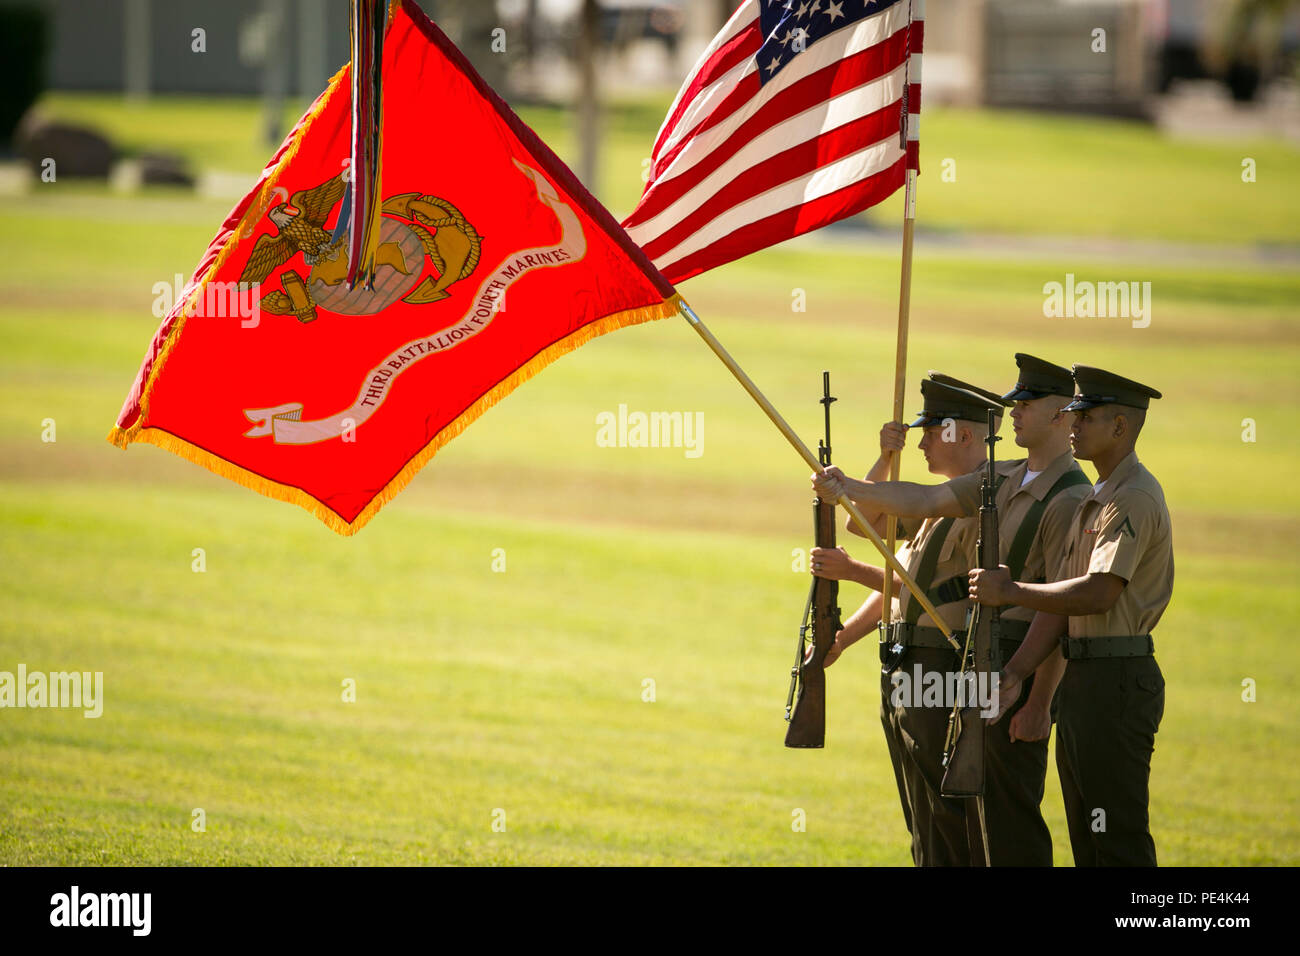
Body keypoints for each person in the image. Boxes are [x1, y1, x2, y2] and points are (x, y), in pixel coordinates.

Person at [813, 355, 1090, 865]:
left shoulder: (1065, 497)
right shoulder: (998, 482)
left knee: (996, 820)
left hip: (987, 663)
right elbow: (913, 506)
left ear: (1060, 415)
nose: (1015, 412)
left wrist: (1037, 701)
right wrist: (850, 484)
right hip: (965, 665)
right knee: (938, 818)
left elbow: (1066, 606)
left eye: (1026, 404)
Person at [969, 365, 1171, 867]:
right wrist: (1016, 673)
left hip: (1117, 680)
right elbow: (1058, 609)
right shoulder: (1098, 499)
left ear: (1120, 428)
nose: (1073, 425)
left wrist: (1011, 589)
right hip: (1085, 678)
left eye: (1086, 417)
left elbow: (1098, 593)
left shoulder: (1132, 498)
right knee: (1087, 831)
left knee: (1116, 834)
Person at [811, 377, 1002, 866]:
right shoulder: (935, 500)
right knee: (920, 816)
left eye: (929, 432)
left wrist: (853, 571)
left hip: (940, 670)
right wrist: (884, 459)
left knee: (944, 814)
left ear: (962, 433)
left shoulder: (983, 503)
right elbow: (866, 522)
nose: (920, 443)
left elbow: (925, 596)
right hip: (906, 666)